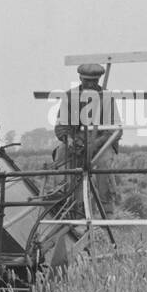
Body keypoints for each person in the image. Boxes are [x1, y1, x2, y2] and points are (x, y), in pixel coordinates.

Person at [51, 63, 122, 212]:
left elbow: (116, 129)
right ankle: (64, 197)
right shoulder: (69, 96)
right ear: (80, 78)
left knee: (103, 163)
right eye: (86, 81)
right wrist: (68, 139)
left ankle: (106, 208)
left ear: (99, 80)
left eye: (94, 81)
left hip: (102, 144)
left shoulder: (107, 97)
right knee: (62, 153)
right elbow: (61, 126)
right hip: (77, 142)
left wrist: (96, 143)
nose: (90, 84)